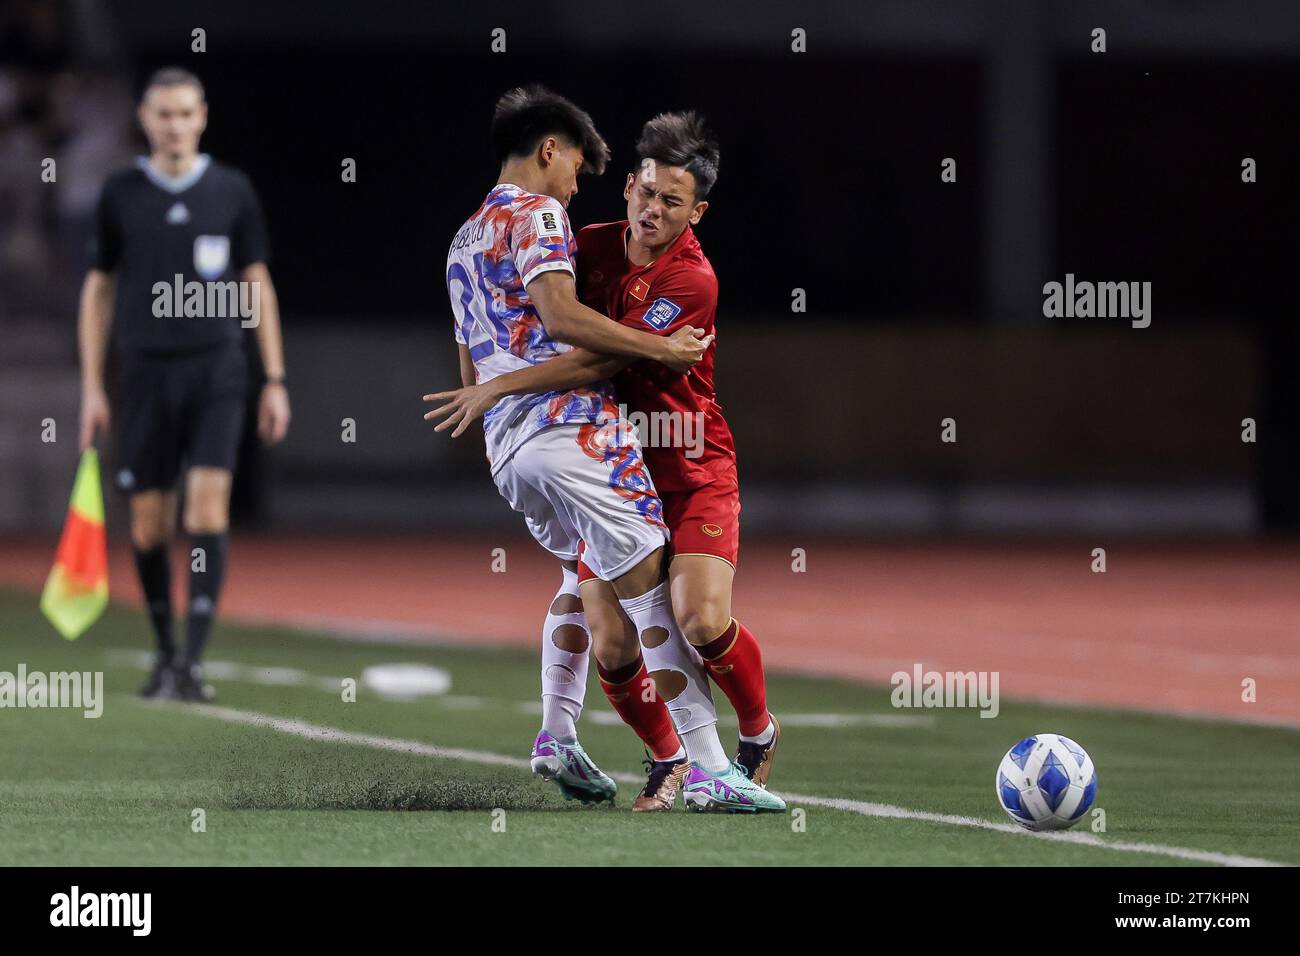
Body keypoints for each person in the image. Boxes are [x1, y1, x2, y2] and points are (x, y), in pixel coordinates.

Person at [434, 86, 781, 812]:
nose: (651, 208)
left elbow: (478, 350)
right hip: (585, 442)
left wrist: (492, 394)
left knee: (683, 614)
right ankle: (693, 766)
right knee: (636, 620)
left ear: (696, 213)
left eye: (671, 201)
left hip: (680, 462)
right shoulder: (557, 227)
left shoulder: (687, 275)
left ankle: (743, 735)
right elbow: (581, 342)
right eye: (643, 190)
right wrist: (654, 349)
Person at [78, 67, 290, 701]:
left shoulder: (231, 190)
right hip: (143, 376)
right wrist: (92, 385)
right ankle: (166, 651)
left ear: (202, 118)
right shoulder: (120, 193)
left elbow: (257, 283)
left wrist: (274, 377)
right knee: (148, 528)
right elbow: (98, 289)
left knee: (206, 510)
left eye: (185, 113)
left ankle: (192, 665)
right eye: (162, 114)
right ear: (145, 120)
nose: (174, 125)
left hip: (217, 369)